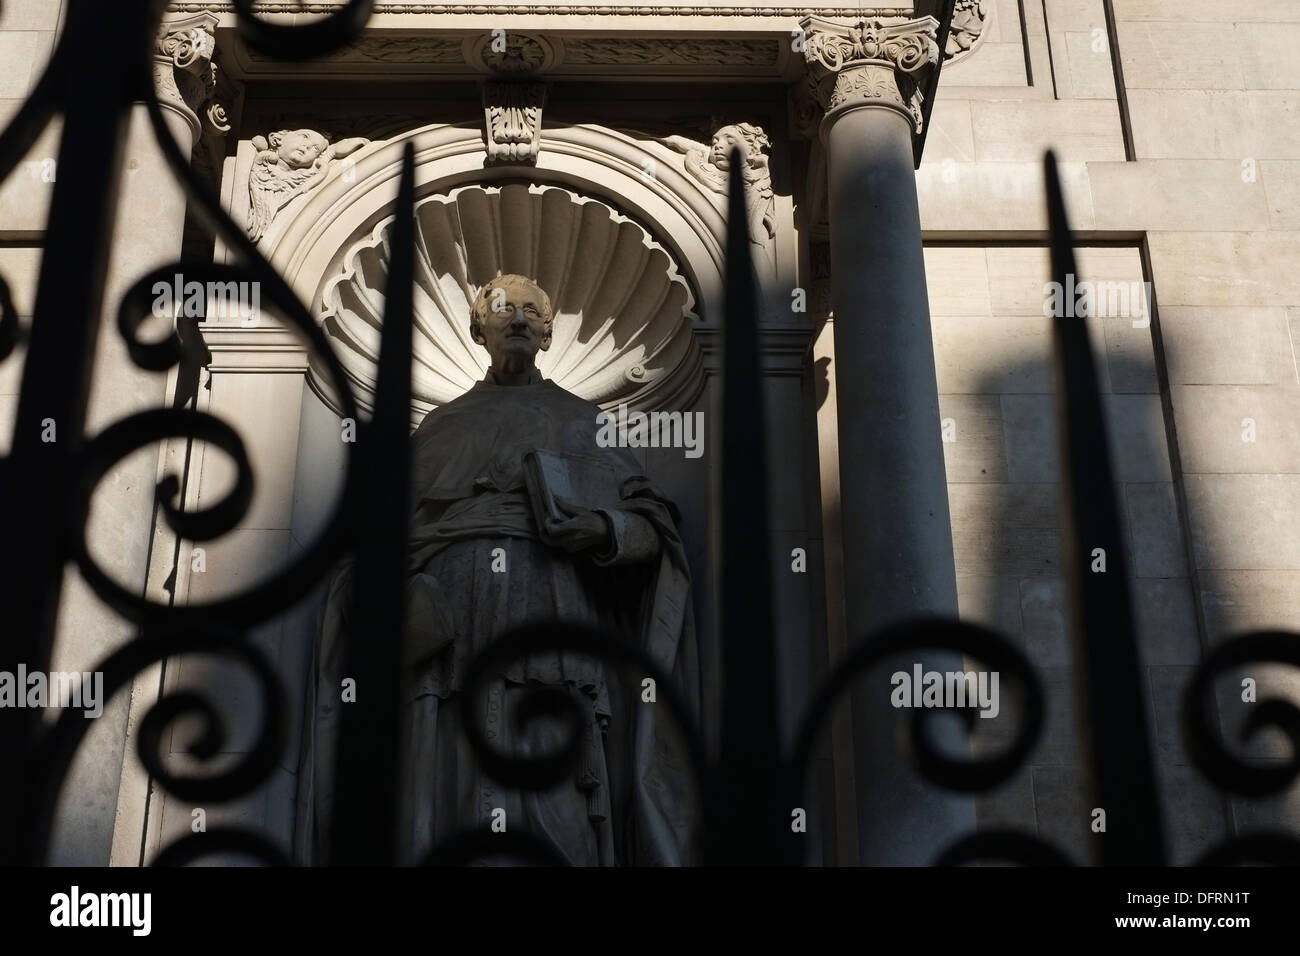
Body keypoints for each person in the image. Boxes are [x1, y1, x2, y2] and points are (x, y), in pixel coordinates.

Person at [297, 274, 701, 865]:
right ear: (476, 328)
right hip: (449, 617)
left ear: (547, 332)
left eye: (531, 312)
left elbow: (654, 531)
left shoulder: (584, 422)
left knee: (552, 775)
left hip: (552, 607)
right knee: (445, 770)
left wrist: (602, 530)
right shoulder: (440, 428)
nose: (517, 318)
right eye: (502, 308)